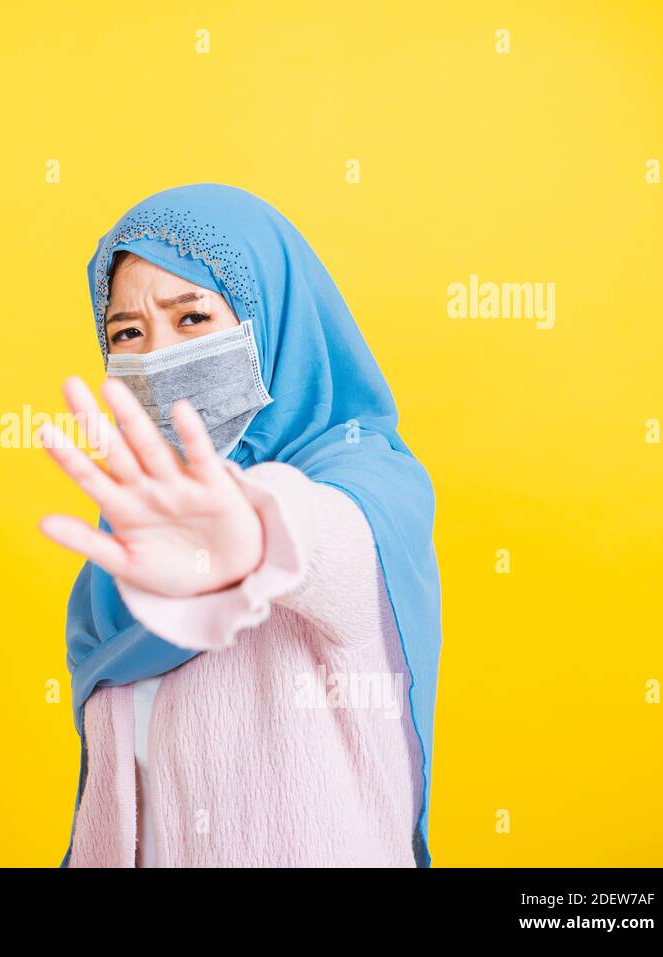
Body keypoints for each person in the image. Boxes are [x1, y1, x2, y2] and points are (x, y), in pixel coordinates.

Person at [36, 183, 443, 867]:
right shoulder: (131, 549)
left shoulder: (368, 489)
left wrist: (252, 536)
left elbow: (324, 544)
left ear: (271, 318)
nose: (157, 354)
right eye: (127, 332)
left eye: (191, 318)